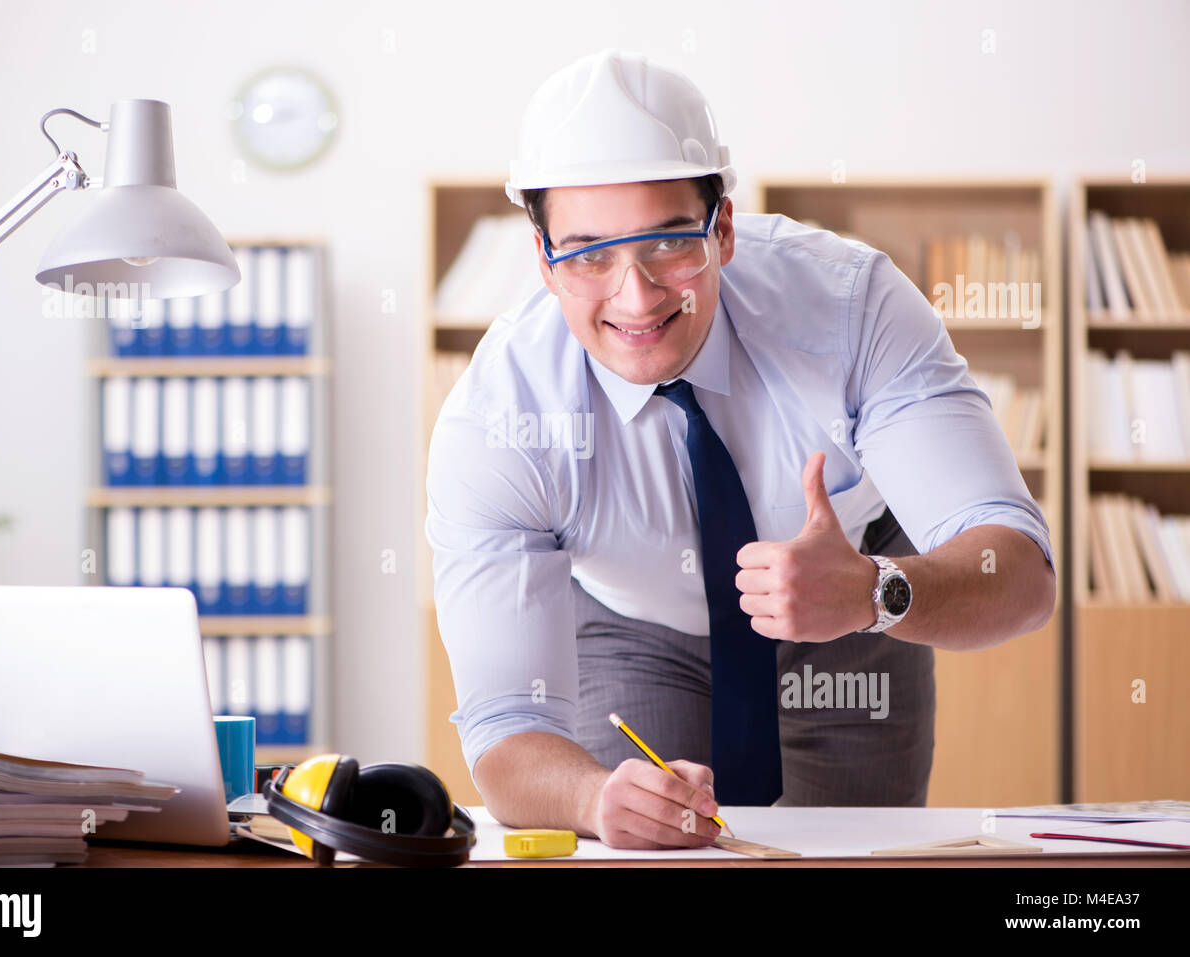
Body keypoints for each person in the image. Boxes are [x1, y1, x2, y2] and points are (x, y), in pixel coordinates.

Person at [425, 48, 1055, 850]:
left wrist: (875, 592)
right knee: (651, 841)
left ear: (722, 228)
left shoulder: (850, 308)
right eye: (588, 254)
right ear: (544, 260)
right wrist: (591, 799)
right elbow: (506, 724)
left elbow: (1022, 575)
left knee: (859, 856)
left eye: (667, 242)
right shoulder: (498, 417)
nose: (636, 294)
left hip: (856, 585)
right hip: (631, 624)